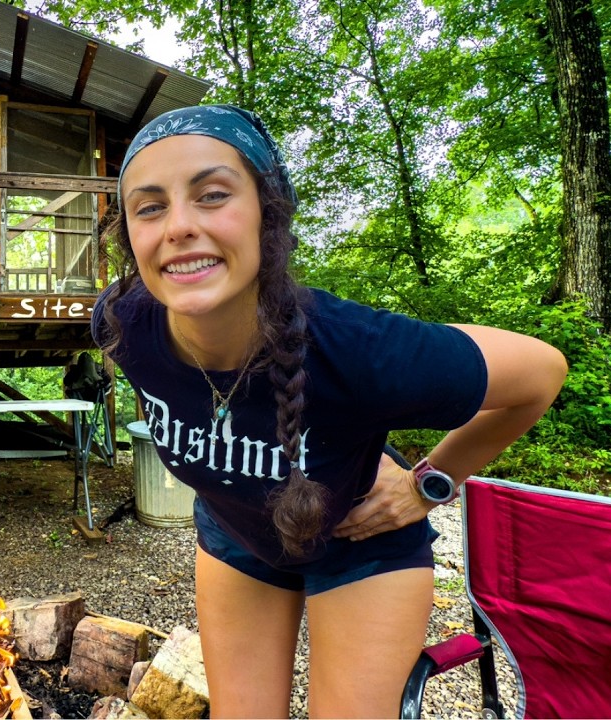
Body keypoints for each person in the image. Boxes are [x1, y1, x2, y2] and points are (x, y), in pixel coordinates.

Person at [92, 105, 567, 718]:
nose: (178, 225)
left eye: (212, 194)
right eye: (149, 205)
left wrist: (432, 483)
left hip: (360, 544)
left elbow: (542, 372)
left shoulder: (358, 349)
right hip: (237, 540)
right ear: (129, 233)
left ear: (268, 213)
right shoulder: (121, 322)